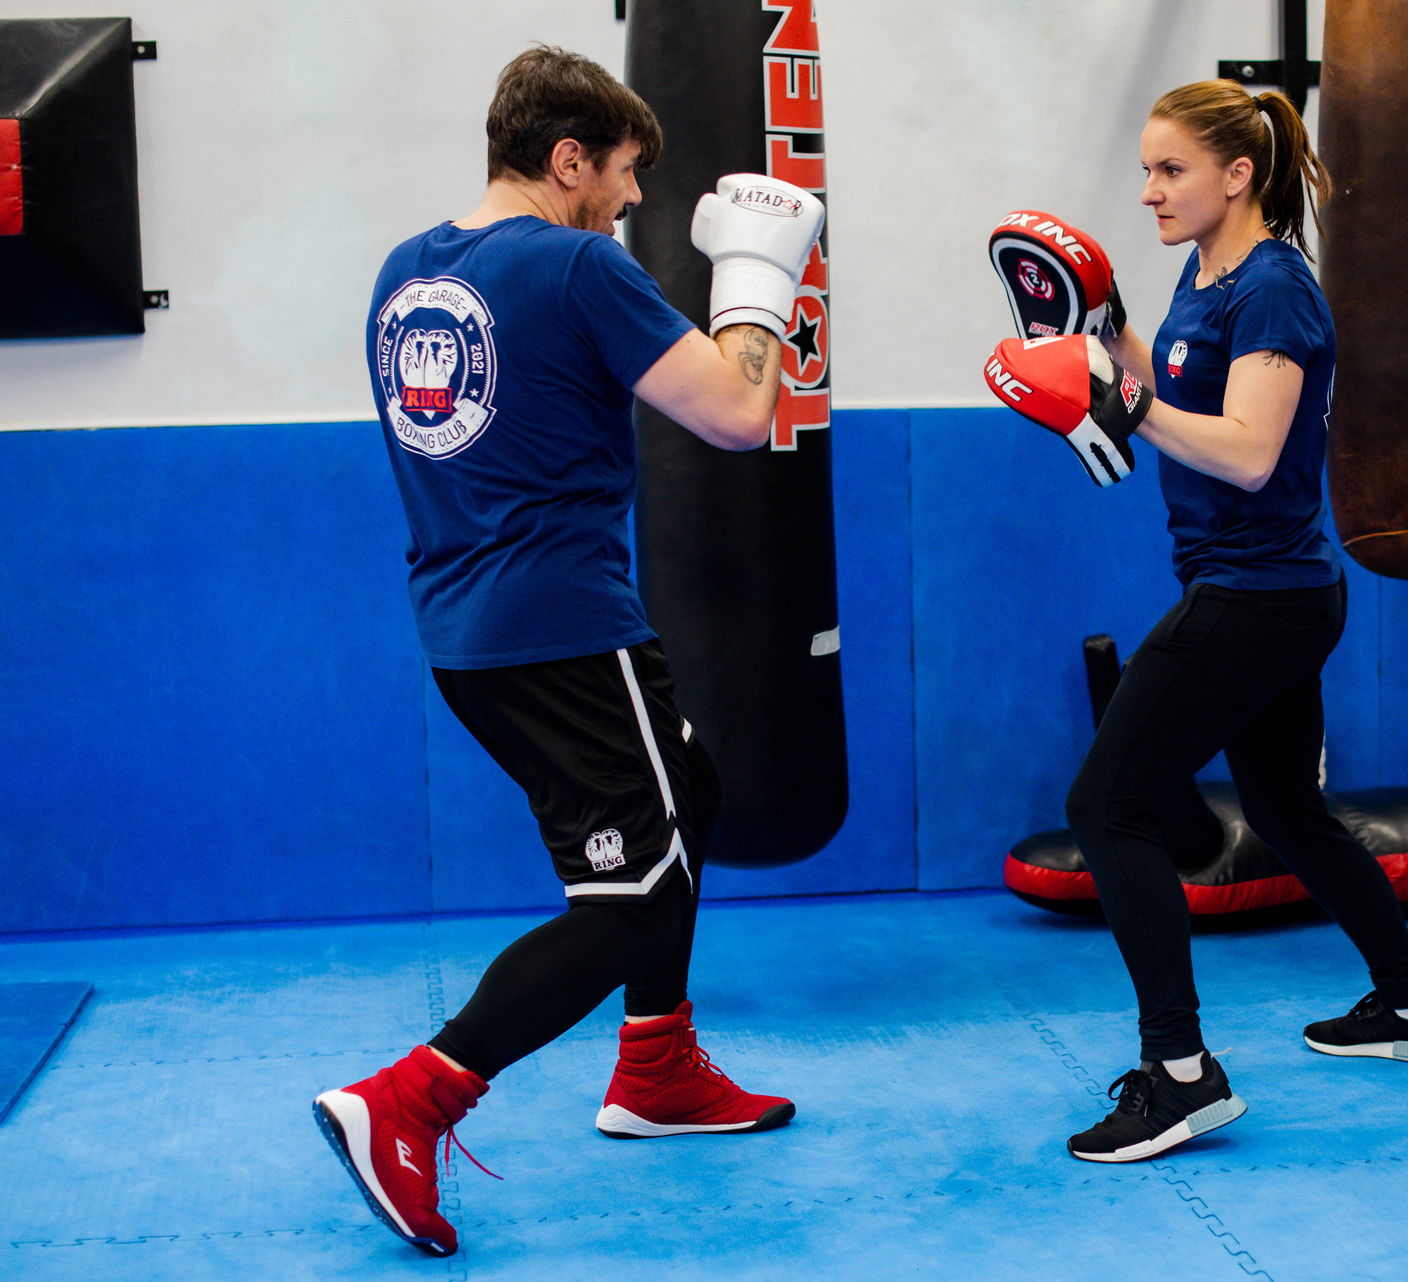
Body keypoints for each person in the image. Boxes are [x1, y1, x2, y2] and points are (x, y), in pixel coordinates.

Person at [311, 47, 824, 1257]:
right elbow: (740, 415)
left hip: (464, 630)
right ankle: (415, 1097)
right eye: (627, 173)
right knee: (633, 898)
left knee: (686, 785)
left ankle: (657, 1067)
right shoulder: (577, 264)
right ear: (568, 160)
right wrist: (755, 283)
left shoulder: (406, 271)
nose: (634, 200)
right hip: (569, 627)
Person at [995, 81, 1408, 1165]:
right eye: (1149, 169)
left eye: (1171, 170)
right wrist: (1102, 348)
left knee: (1104, 801)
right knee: (1286, 809)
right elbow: (1170, 404)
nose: (1150, 189)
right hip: (1261, 587)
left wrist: (1120, 403)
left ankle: (1180, 1075)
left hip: (1260, 595)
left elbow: (1250, 449)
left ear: (1237, 175)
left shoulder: (1274, 291)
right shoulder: (1205, 275)